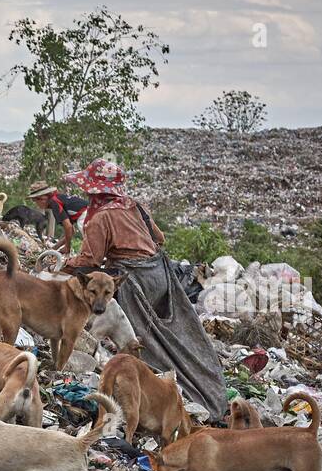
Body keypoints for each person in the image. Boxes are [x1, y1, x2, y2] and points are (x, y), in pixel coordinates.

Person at [61, 158, 227, 420]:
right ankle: (210, 387)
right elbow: (159, 238)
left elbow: (90, 260)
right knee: (173, 337)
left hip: (136, 280)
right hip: (161, 274)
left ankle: (163, 391)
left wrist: (65, 265)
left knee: (143, 340)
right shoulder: (134, 205)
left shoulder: (100, 218)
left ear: (95, 191)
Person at [27, 180, 88, 252]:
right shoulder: (58, 198)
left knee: (90, 245)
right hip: (91, 211)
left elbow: (68, 227)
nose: (36, 204)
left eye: (35, 201)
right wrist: (54, 248)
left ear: (42, 199)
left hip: (85, 215)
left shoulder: (54, 203)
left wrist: (67, 247)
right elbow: (71, 231)